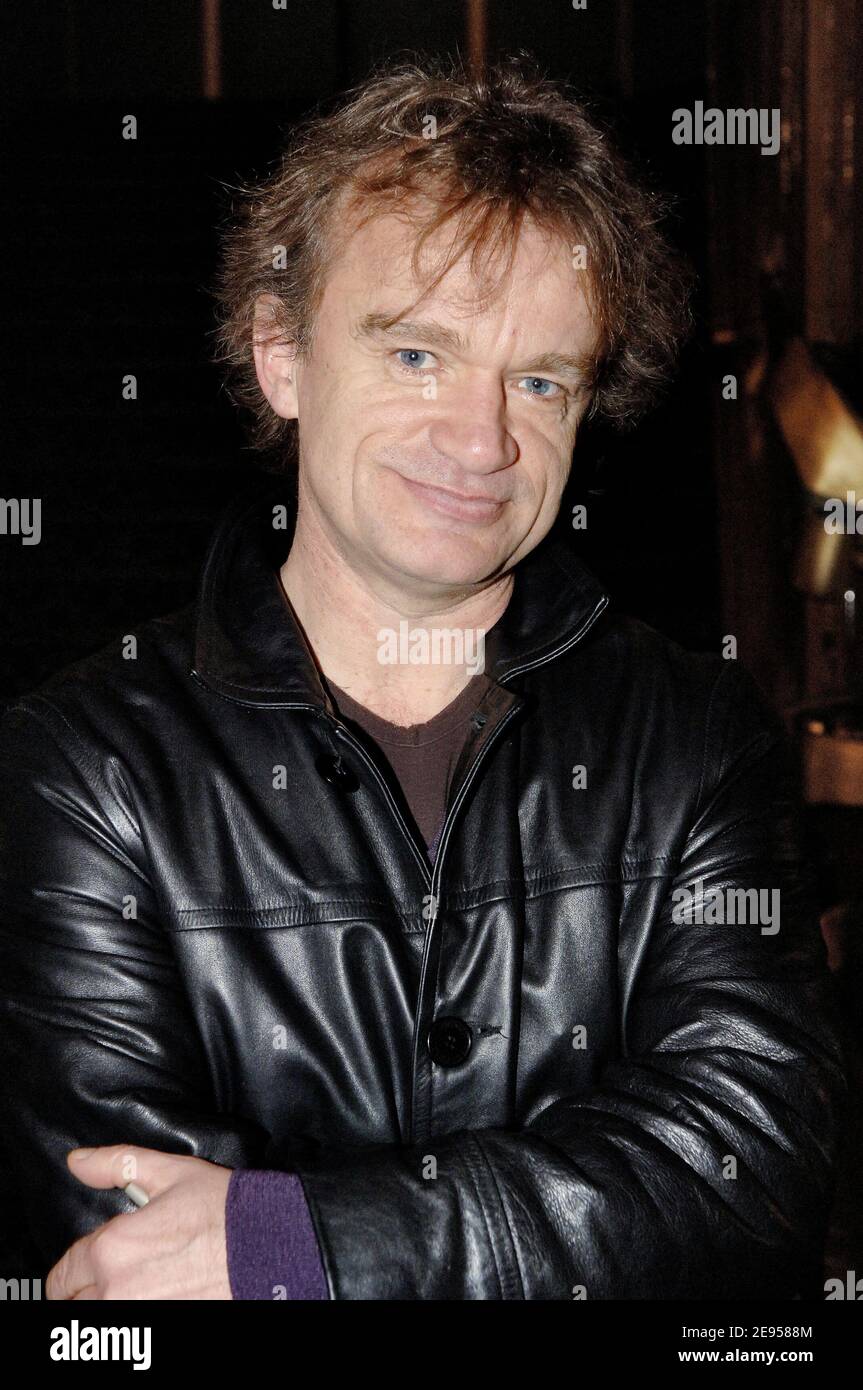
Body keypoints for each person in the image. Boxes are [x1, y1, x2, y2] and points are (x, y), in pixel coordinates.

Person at [0, 56, 846, 1301]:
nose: (482, 439)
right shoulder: (86, 769)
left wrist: (305, 1242)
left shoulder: (691, 734)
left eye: (540, 381)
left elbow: (752, 1168)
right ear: (282, 354)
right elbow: (130, 1262)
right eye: (416, 356)